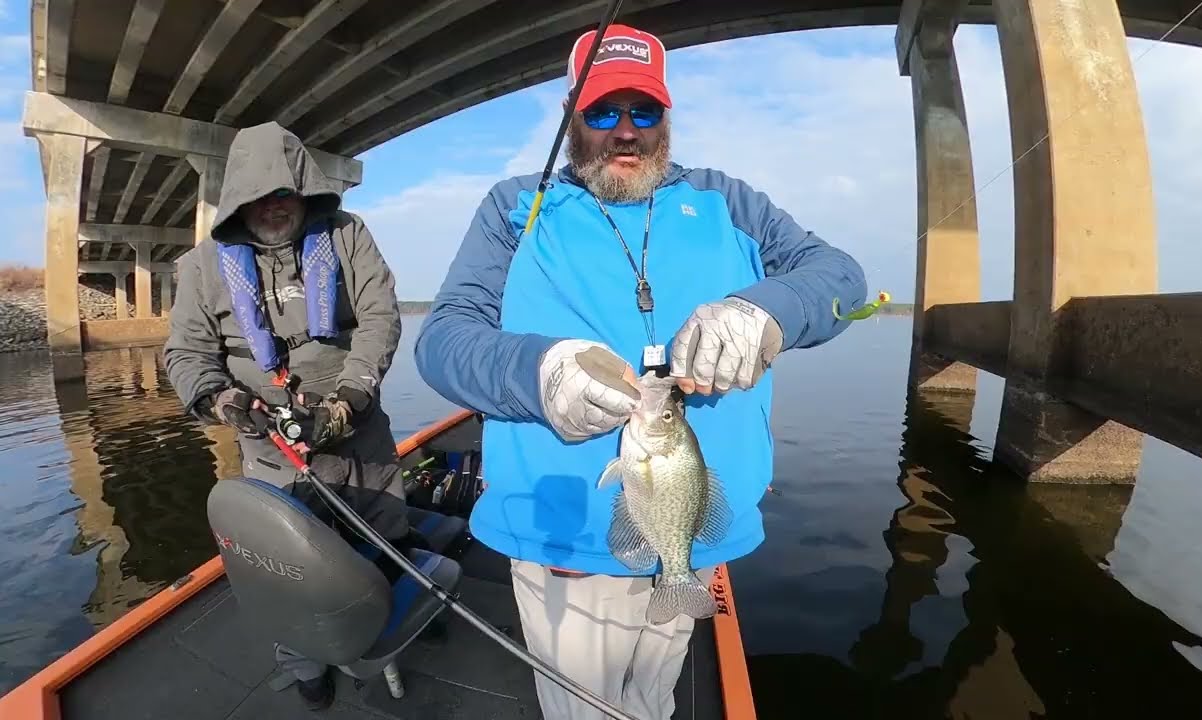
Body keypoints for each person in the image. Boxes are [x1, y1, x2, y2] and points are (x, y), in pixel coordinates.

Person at [414, 23, 867, 720]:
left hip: (692, 537)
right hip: (569, 549)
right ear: (571, 120)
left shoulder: (730, 201)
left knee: (654, 699)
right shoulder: (515, 207)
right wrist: (538, 371)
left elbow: (841, 278)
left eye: (643, 111)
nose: (624, 131)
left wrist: (765, 312)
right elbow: (442, 342)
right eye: (601, 112)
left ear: (666, 118)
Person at [163, 121, 405, 711]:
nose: (273, 207)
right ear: (238, 200)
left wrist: (349, 399)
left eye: (284, 194)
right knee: (288, 570)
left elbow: (380, 318)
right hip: (271, 448)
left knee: (386, 541)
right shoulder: (200, 267)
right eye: (258, 197)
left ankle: (390, 636)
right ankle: (305, 663)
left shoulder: (348, 236)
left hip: (360, 436)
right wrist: (223, 401)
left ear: (304, 192)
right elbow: (184, 353)